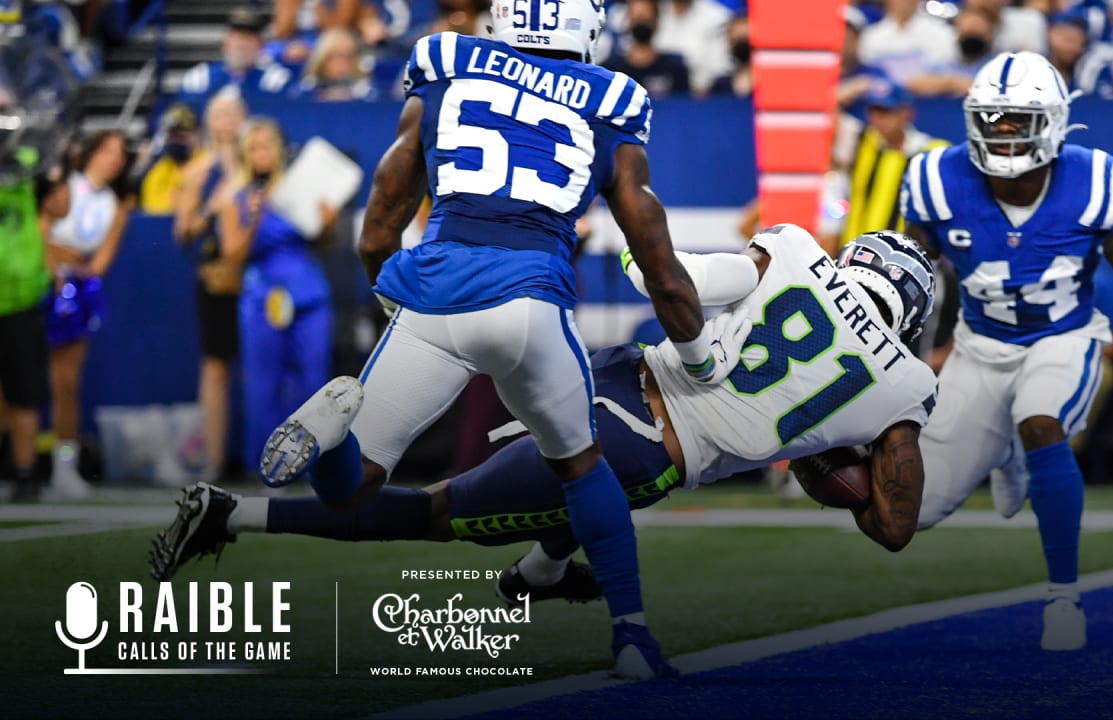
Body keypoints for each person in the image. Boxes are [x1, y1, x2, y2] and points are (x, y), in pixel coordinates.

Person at [252, 1, 736, 680]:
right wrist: (697, 354)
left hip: (434, 285)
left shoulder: (447, 61)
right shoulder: (612, 97)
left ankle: (330, 439)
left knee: (350, 487)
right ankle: (631, 637)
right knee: (582, 467)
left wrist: (390, 289)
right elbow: (654, 252)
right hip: (527, 302)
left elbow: (385, 204)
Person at [152, 225, 938, 615]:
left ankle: (539, 573)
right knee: (431, 513)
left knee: (569, 486)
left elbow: (688, 277)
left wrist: (647, 265)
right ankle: (233, 514)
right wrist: (814, 458)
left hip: (619, 374)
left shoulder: (797, 250)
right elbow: (894, 526)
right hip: (645, 450)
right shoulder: (902, 385)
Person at [901, 52, 1113, 651]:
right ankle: (1006, 450)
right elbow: (906, 275)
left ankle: (1064, 598)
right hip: (979, 349)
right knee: (914, 511)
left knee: (1041, 418)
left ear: (1056, 122)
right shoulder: (934, 180)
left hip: (1063, 338)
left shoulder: (1094, 182)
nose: (1004, 131)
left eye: (1018, 119)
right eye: (994, 118)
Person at [219, 117, 336, 481]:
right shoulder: (234, 198)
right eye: (253, 147)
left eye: (267, 145)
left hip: (308, 293)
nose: (261, 154)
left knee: (313, 381)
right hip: (261, 298)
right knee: (263, 383)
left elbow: (323, 244)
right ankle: (268, 467)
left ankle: (314, 467)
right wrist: (252, 218)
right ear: (243, 154)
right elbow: (232, 256)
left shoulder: (298, 192)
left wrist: (328, 223)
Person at [45, 129, 134, 500]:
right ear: (91, 152)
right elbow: (42, 229)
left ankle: (63, 470)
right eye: (107, 150)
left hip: (77, 291)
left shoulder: (118, 204)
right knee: (12, 384)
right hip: (40, 283)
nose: (114, 158)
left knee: (67, 383)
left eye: (120, 153)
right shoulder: (64, 184)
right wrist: (54, 267)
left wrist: (71, 272)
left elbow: (100, 262)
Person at [174, 88, 248, 483]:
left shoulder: (258, 159)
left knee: (260, 369)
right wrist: (211, 209)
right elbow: (182, 231)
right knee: (216, 369)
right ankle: (215, 460)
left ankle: (259, 458)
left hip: (256, 277)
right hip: (215, 279)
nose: (228, 121)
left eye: (234, 113)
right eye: (220, 114)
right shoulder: (198, 170)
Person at [821, 82, 947, 255]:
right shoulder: (863, 141)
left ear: (906, 113)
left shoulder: (930, 152)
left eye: (887, 112)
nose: (879, 119)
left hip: (903, 261)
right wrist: (863, 84)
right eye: (874, 111)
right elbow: (826, 107)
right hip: (853, 255)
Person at [0, 110, 56, 501]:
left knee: (25, 392)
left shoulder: (28, 161)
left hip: (20, 297)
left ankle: (24, 472)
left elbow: (62, 205)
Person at [176, 7, 293, 114]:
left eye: (249, 38)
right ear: (225, 42)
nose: (242, 45)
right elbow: (186, 120)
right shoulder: (200, 77)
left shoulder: (276, 79)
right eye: (237, 37)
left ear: (261, 46)